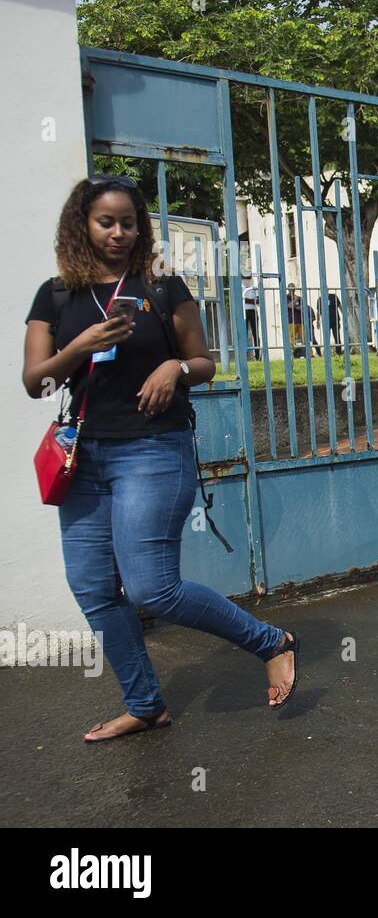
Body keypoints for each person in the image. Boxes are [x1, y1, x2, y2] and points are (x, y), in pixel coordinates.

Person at [22, 176, 299, 742]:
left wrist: (175, 368)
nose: (119, 232)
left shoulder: (164, 287)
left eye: (129, 222)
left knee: (152, 589)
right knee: (94, 588)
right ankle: (145, 703)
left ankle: (271, 641)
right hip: (84, 458)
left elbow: (205, 361)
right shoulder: (55, 295)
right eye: (106, 222)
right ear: (82, 225)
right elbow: (36, 381)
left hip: (152, 450)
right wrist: (80, 347)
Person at [242, 277, 260, 361]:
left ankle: (257, 355)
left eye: (248, 278)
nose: (247, 280)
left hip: (253, 311)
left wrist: (249, 300)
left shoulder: (254, 287)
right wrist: (253, 301)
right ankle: (245, 356)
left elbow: (259, 300)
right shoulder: (240, 287)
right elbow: (242, 300)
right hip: (244, 311)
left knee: (255, 333)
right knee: (244, 335)